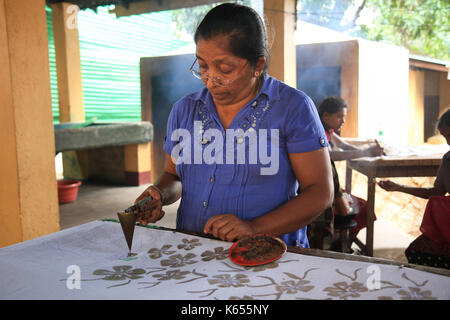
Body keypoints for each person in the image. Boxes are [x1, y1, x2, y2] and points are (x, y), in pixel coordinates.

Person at [133, 3, 333, 248]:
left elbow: (320, 192)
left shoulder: (292, 107)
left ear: (257, 66)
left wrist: (254, 228)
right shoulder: (184, 110)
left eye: (225, 69)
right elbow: (174, 176)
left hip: (267, 255)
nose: (210, 79)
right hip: (194, 252)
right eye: (203, 66)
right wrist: (160, 195)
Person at [309, 96, 384, 251]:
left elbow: (343, 144)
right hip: (319, 190)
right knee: (363, 207)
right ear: (326, 116)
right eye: (339, 116)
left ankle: (343, 243)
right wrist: (365, 152)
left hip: (327, 188)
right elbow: (330, 155)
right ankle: (341, 245)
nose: (343, 121)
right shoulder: (318, 130)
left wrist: (368, 151)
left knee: (361, 204)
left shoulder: (327, 129)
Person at [378, 108, 450, 268]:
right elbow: (436, 192)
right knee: (417, 251)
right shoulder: (448, 159)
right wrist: (399, 187)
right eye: (445, 137)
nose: (448, 142)